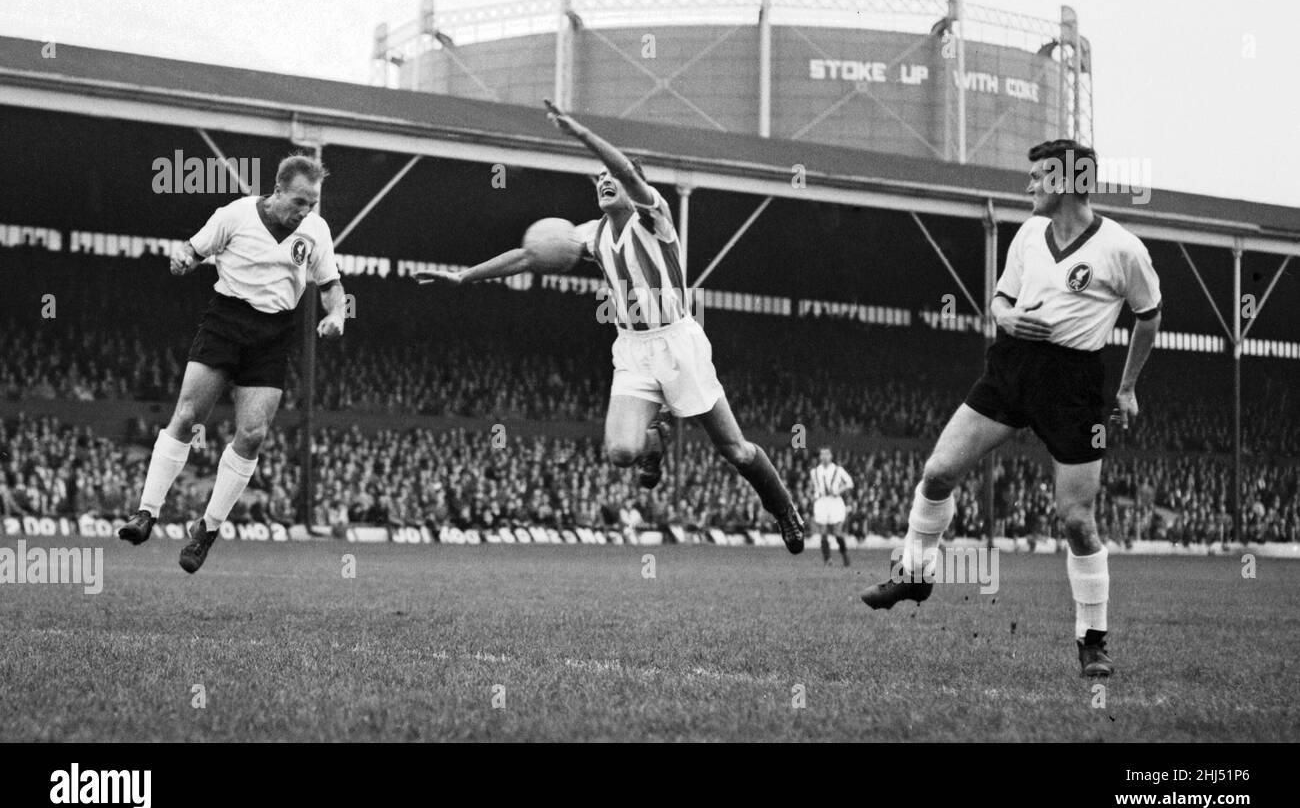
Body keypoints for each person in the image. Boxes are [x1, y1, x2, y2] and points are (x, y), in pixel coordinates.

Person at [416, 100, 804, 553]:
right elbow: (525, 256)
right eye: (599, 179)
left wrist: (580, 133)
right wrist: (464, 275)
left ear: (631, 185)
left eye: (611, 177)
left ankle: (783, 510)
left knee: (735, 450)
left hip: (678, 344)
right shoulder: (590, 234)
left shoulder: (654, 216)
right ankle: (654, 439)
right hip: (633, 348)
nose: (604, 180)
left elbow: (625, 170)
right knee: (621, 453)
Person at [859, 139, 1162, 679]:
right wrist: (1007, 319)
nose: (1028, 185)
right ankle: (914, 572)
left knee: (1076, 520)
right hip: (1013, 367)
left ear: (1069, 181)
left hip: (1074, 387)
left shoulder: (1123, 249)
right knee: (938, 471)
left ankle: (1092, 639)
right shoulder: (1027, 235)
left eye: (1040, 176)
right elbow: (1001, 300)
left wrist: (1127, 388)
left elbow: (1148, 316)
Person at [117, 153, 347, 573]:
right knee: (187, 417)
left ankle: (206, 529)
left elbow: (331, 284)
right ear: (277, 191)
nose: (305, 211)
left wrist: (336, 314)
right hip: (225, 322)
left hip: (273, 334)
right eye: (299, 201)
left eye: (312, 203)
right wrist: (184, 259)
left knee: (254, 434)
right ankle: (146, 512)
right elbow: (194, 248)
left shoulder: (316, 231)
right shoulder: (235, 214)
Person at [811, 447, 853, 567]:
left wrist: (839, 490)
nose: (824, 457)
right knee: (823, 532)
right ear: (820, 457)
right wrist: (816, 495)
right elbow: (816, 488)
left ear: (831, 456)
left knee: (837, 532)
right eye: (822, 454)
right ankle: (827, 559)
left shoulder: (838, 469)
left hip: (835, 502)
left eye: (827, 454)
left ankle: (845, 555)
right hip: (822, 502)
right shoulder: (815, 471)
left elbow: (850, 483)